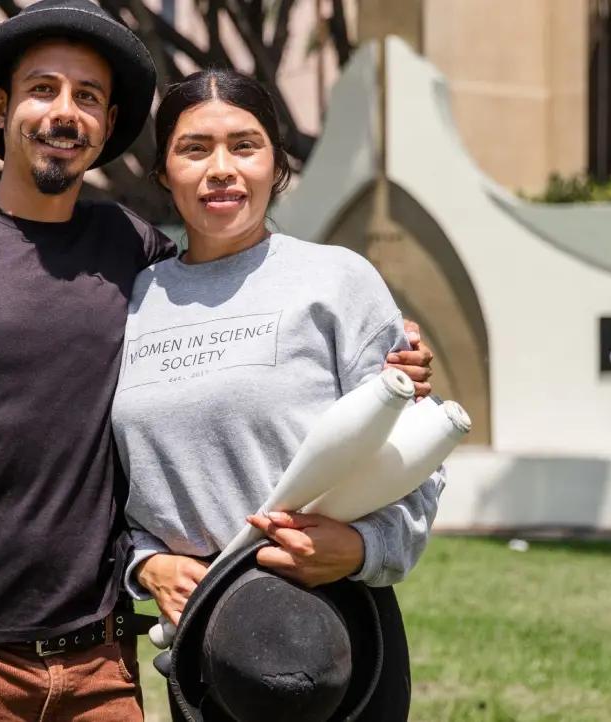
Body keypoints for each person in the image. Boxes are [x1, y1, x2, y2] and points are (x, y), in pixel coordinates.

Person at [0, 3, 432, 720]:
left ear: (108, 126)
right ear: (1, 106)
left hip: (100, 658)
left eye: (87, 97)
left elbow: (238, 310)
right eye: (43, 89)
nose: (64, 112)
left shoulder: (135, 255)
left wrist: (391, 359)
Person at [112, 68, 443, 720]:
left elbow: (418, 451)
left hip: (332, 626)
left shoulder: (336, 281)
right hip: (209, 639)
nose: (221, 169)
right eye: (194, 148)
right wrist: (145, 565)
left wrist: (366, 548)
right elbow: (115, 478)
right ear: (163, 173)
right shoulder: (135, 299)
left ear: (277, 164)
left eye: (245, 145)